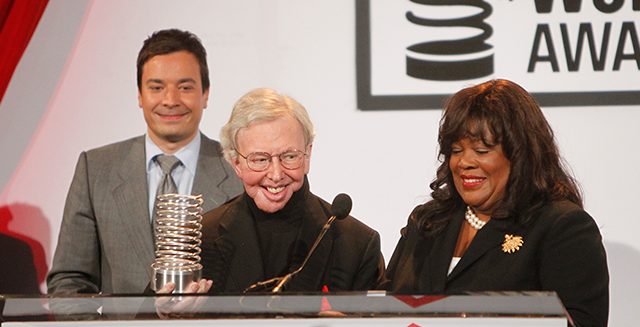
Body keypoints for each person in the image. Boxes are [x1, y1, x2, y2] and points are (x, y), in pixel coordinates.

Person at [383, 79, 609, 327]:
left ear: (520, 154)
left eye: (481, 151)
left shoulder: (561, 227)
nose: (464, 163)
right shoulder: (428, 222)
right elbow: (387, 309)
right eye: (456, 150)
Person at [47, 29, 243, 295]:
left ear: (205, 94)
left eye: (185, 87)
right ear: (140, 95)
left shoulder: (238, 169)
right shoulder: (95, 169)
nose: (170, 100)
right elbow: (69, 282)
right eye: (156, 87)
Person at [161, 88, 384, 296]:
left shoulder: (357, 244)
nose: (276, 174)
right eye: (260, 160)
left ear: (307, 155)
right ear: (236, 162)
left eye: (289, 156)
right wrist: (169, 316)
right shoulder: (197, 242)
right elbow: (145, 319)